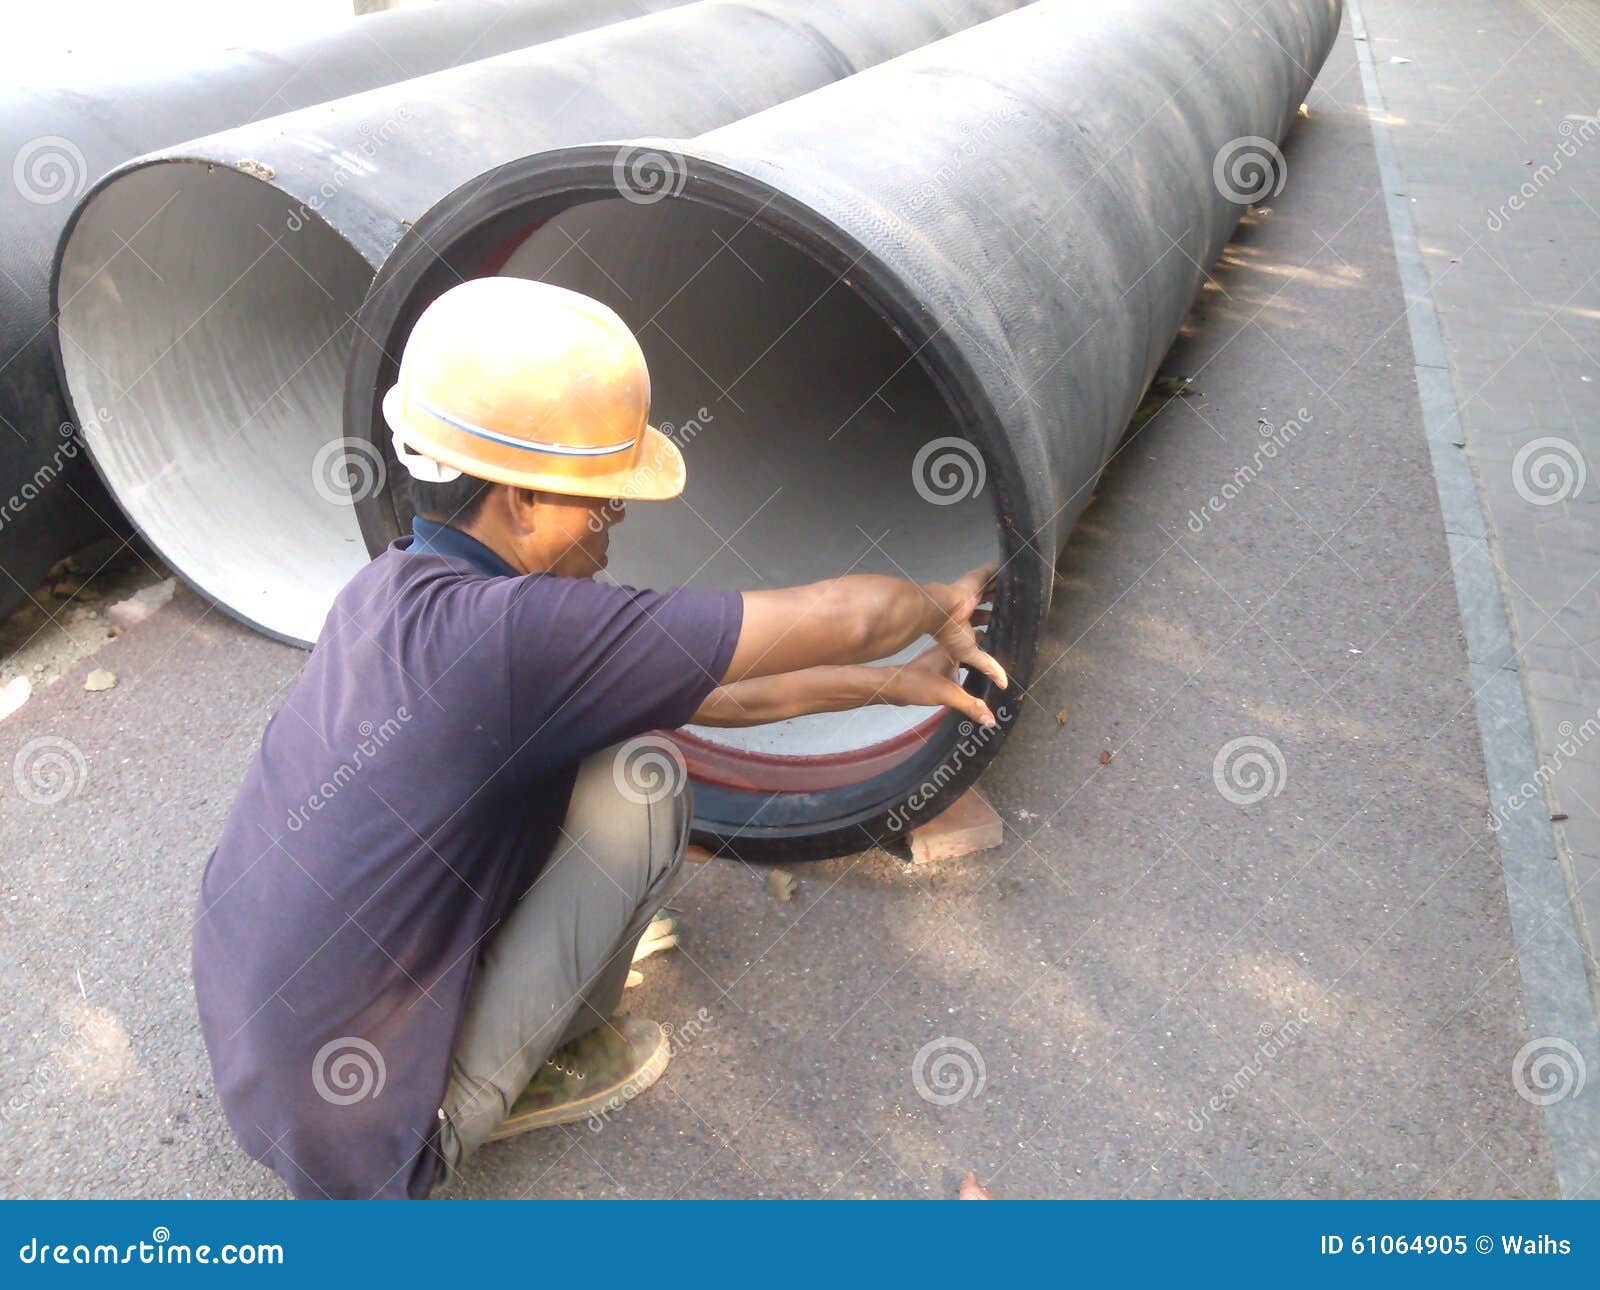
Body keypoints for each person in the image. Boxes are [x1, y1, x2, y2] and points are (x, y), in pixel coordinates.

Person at [191, 276, 1006, 1199]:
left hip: (263, 1061)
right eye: (604, 501)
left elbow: (720, 698)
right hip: (373, 1144)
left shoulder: (391, 589)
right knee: (643, 780)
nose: (614, 525)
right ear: (520, 500)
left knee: (616, 737)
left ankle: (489, 989)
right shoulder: (520, 638)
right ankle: (543, 1057)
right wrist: (942, 603)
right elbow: (845, 616)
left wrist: (889, 685)